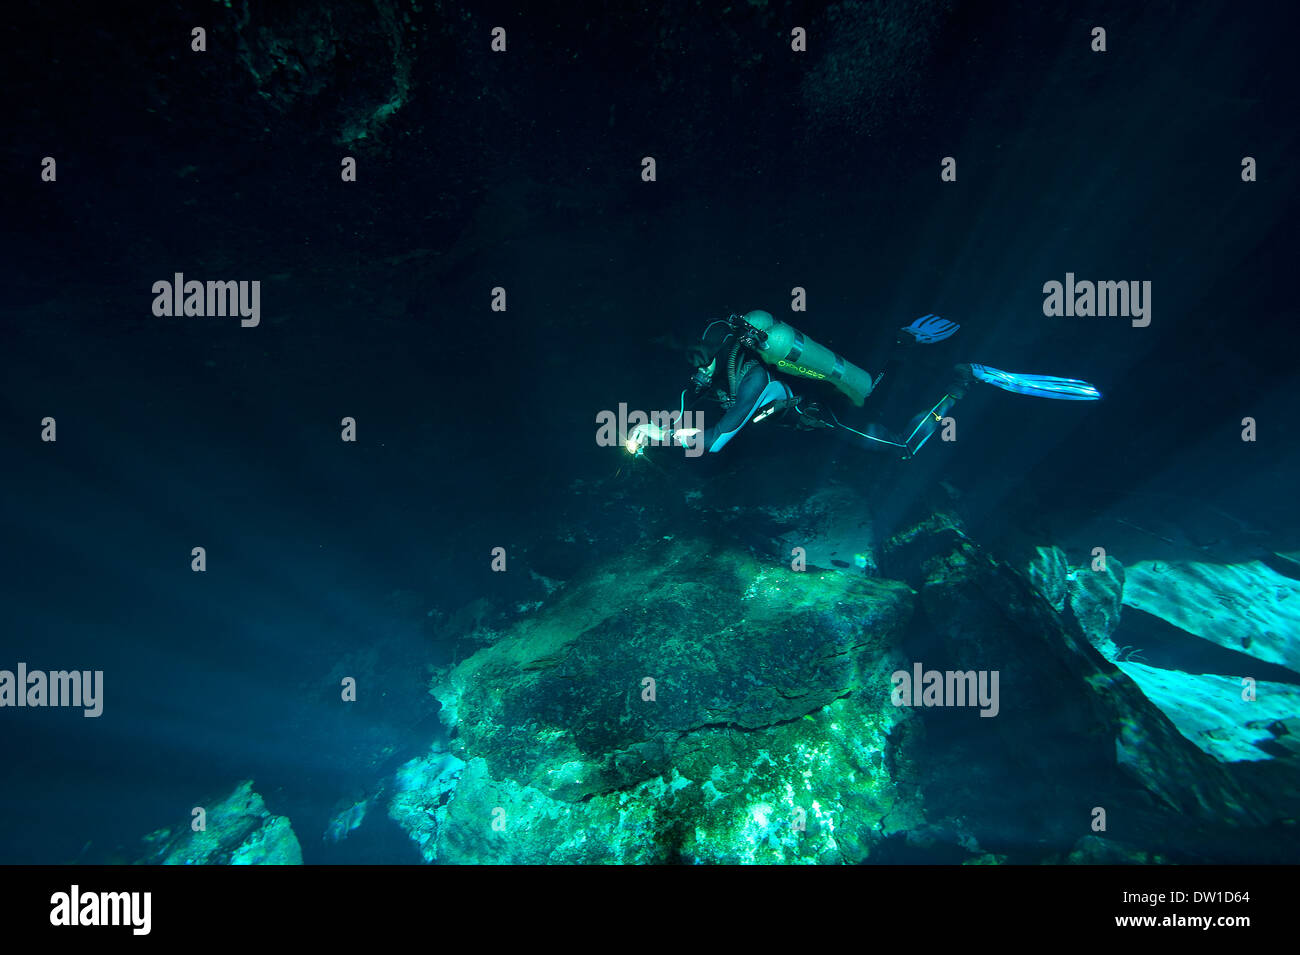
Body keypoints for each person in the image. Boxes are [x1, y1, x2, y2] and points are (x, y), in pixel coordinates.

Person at [627, 310, 1100, 458]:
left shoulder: (751, 378)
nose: (692, 370)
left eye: (695, 358)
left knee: (902, 449)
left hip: (831, 413)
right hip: (838, 394)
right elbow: (691, 404)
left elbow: (715, 441)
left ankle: (960, 384)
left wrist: (654, 434)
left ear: (713, 353)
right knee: (875, 387)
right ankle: (902, 346)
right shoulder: (729, 372)